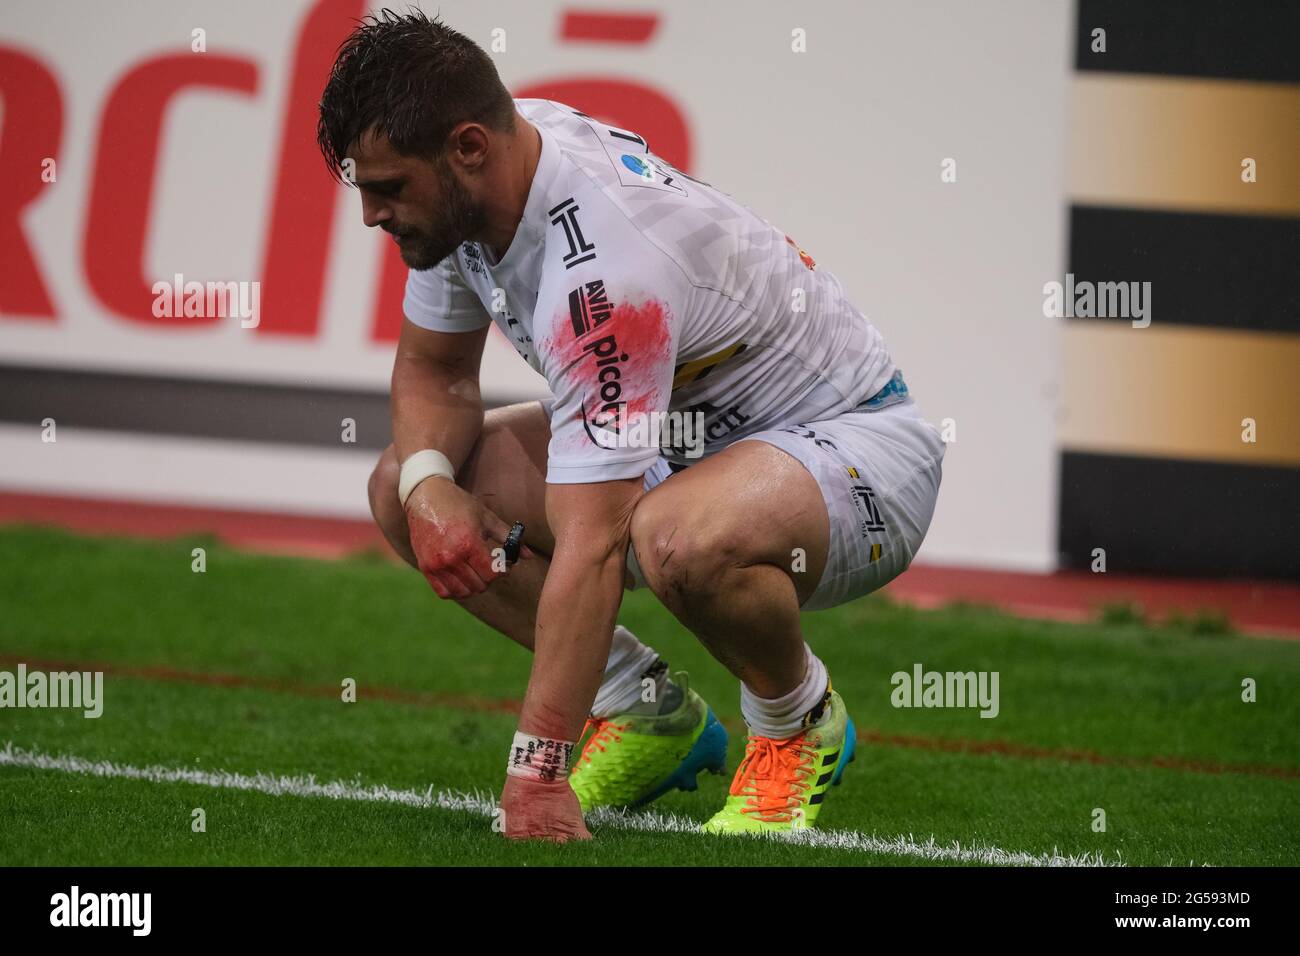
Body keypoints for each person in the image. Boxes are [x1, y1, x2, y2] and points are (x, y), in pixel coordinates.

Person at [317, 9, 945, 842]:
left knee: (672, 537)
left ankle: (797, 720)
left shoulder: (608, 275)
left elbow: (595, 543)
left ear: (468, 148)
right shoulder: (492, 164)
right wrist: (432, 487)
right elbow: (435, 371)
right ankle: (647, 713)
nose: (371, 216)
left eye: (388, 189)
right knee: (409, 483)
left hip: (859, 450)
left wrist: (536, 776)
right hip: (687, 441)